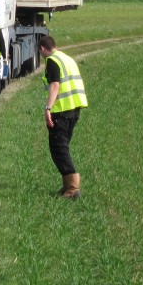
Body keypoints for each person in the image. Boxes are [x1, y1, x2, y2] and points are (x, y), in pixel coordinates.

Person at [40, 35, 88, 199]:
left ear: (42, 49)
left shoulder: (52, 61)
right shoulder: (67, 58)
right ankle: (67, 185)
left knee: (58, 149)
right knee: (63, 146)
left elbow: (55, 84)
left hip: (61, 111)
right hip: (75, 108)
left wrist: (48, 108)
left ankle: (73, 188)